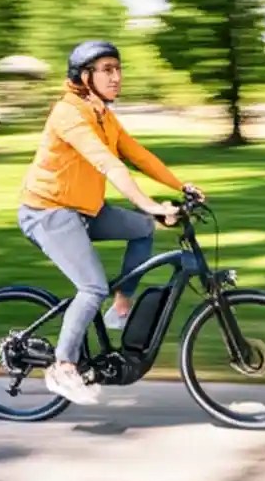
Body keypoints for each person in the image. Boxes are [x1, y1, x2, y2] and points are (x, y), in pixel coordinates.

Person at [18, 40, 204, 405]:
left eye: (118, 69)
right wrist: (149, 203)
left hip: (84, 209)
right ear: (84, 77)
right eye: (107, 70)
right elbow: (109, 163)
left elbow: (137, 155)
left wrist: (180, 185)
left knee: (142, 229)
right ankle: (63, 366)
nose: (116, 77)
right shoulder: (68, 114)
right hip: (48, 212)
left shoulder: (103, 115)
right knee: (91, 287)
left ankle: (120, 308)